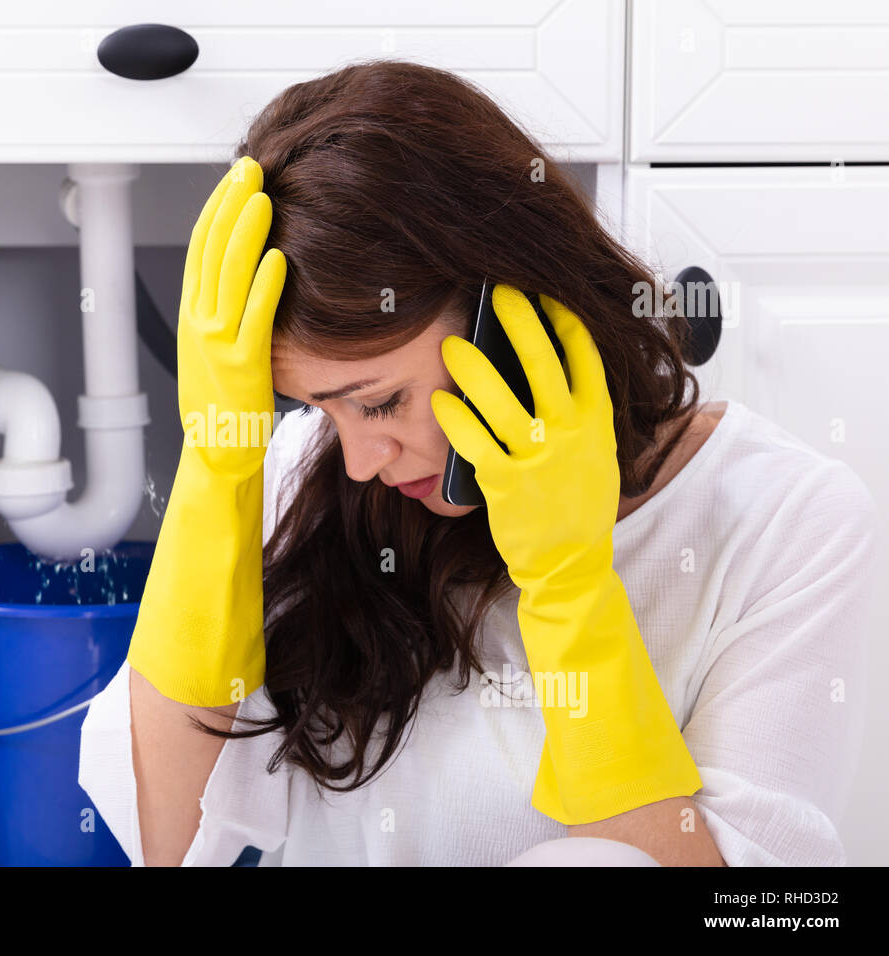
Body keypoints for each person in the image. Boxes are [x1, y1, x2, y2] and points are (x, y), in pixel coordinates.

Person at [78, 60, 881, 867]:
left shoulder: (792, 521)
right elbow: (170, 841)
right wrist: (218, 476)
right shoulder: (303, 472)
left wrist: (570, 590)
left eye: (381, 401)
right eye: (317, 407)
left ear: (513, 323)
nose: (358, 460)